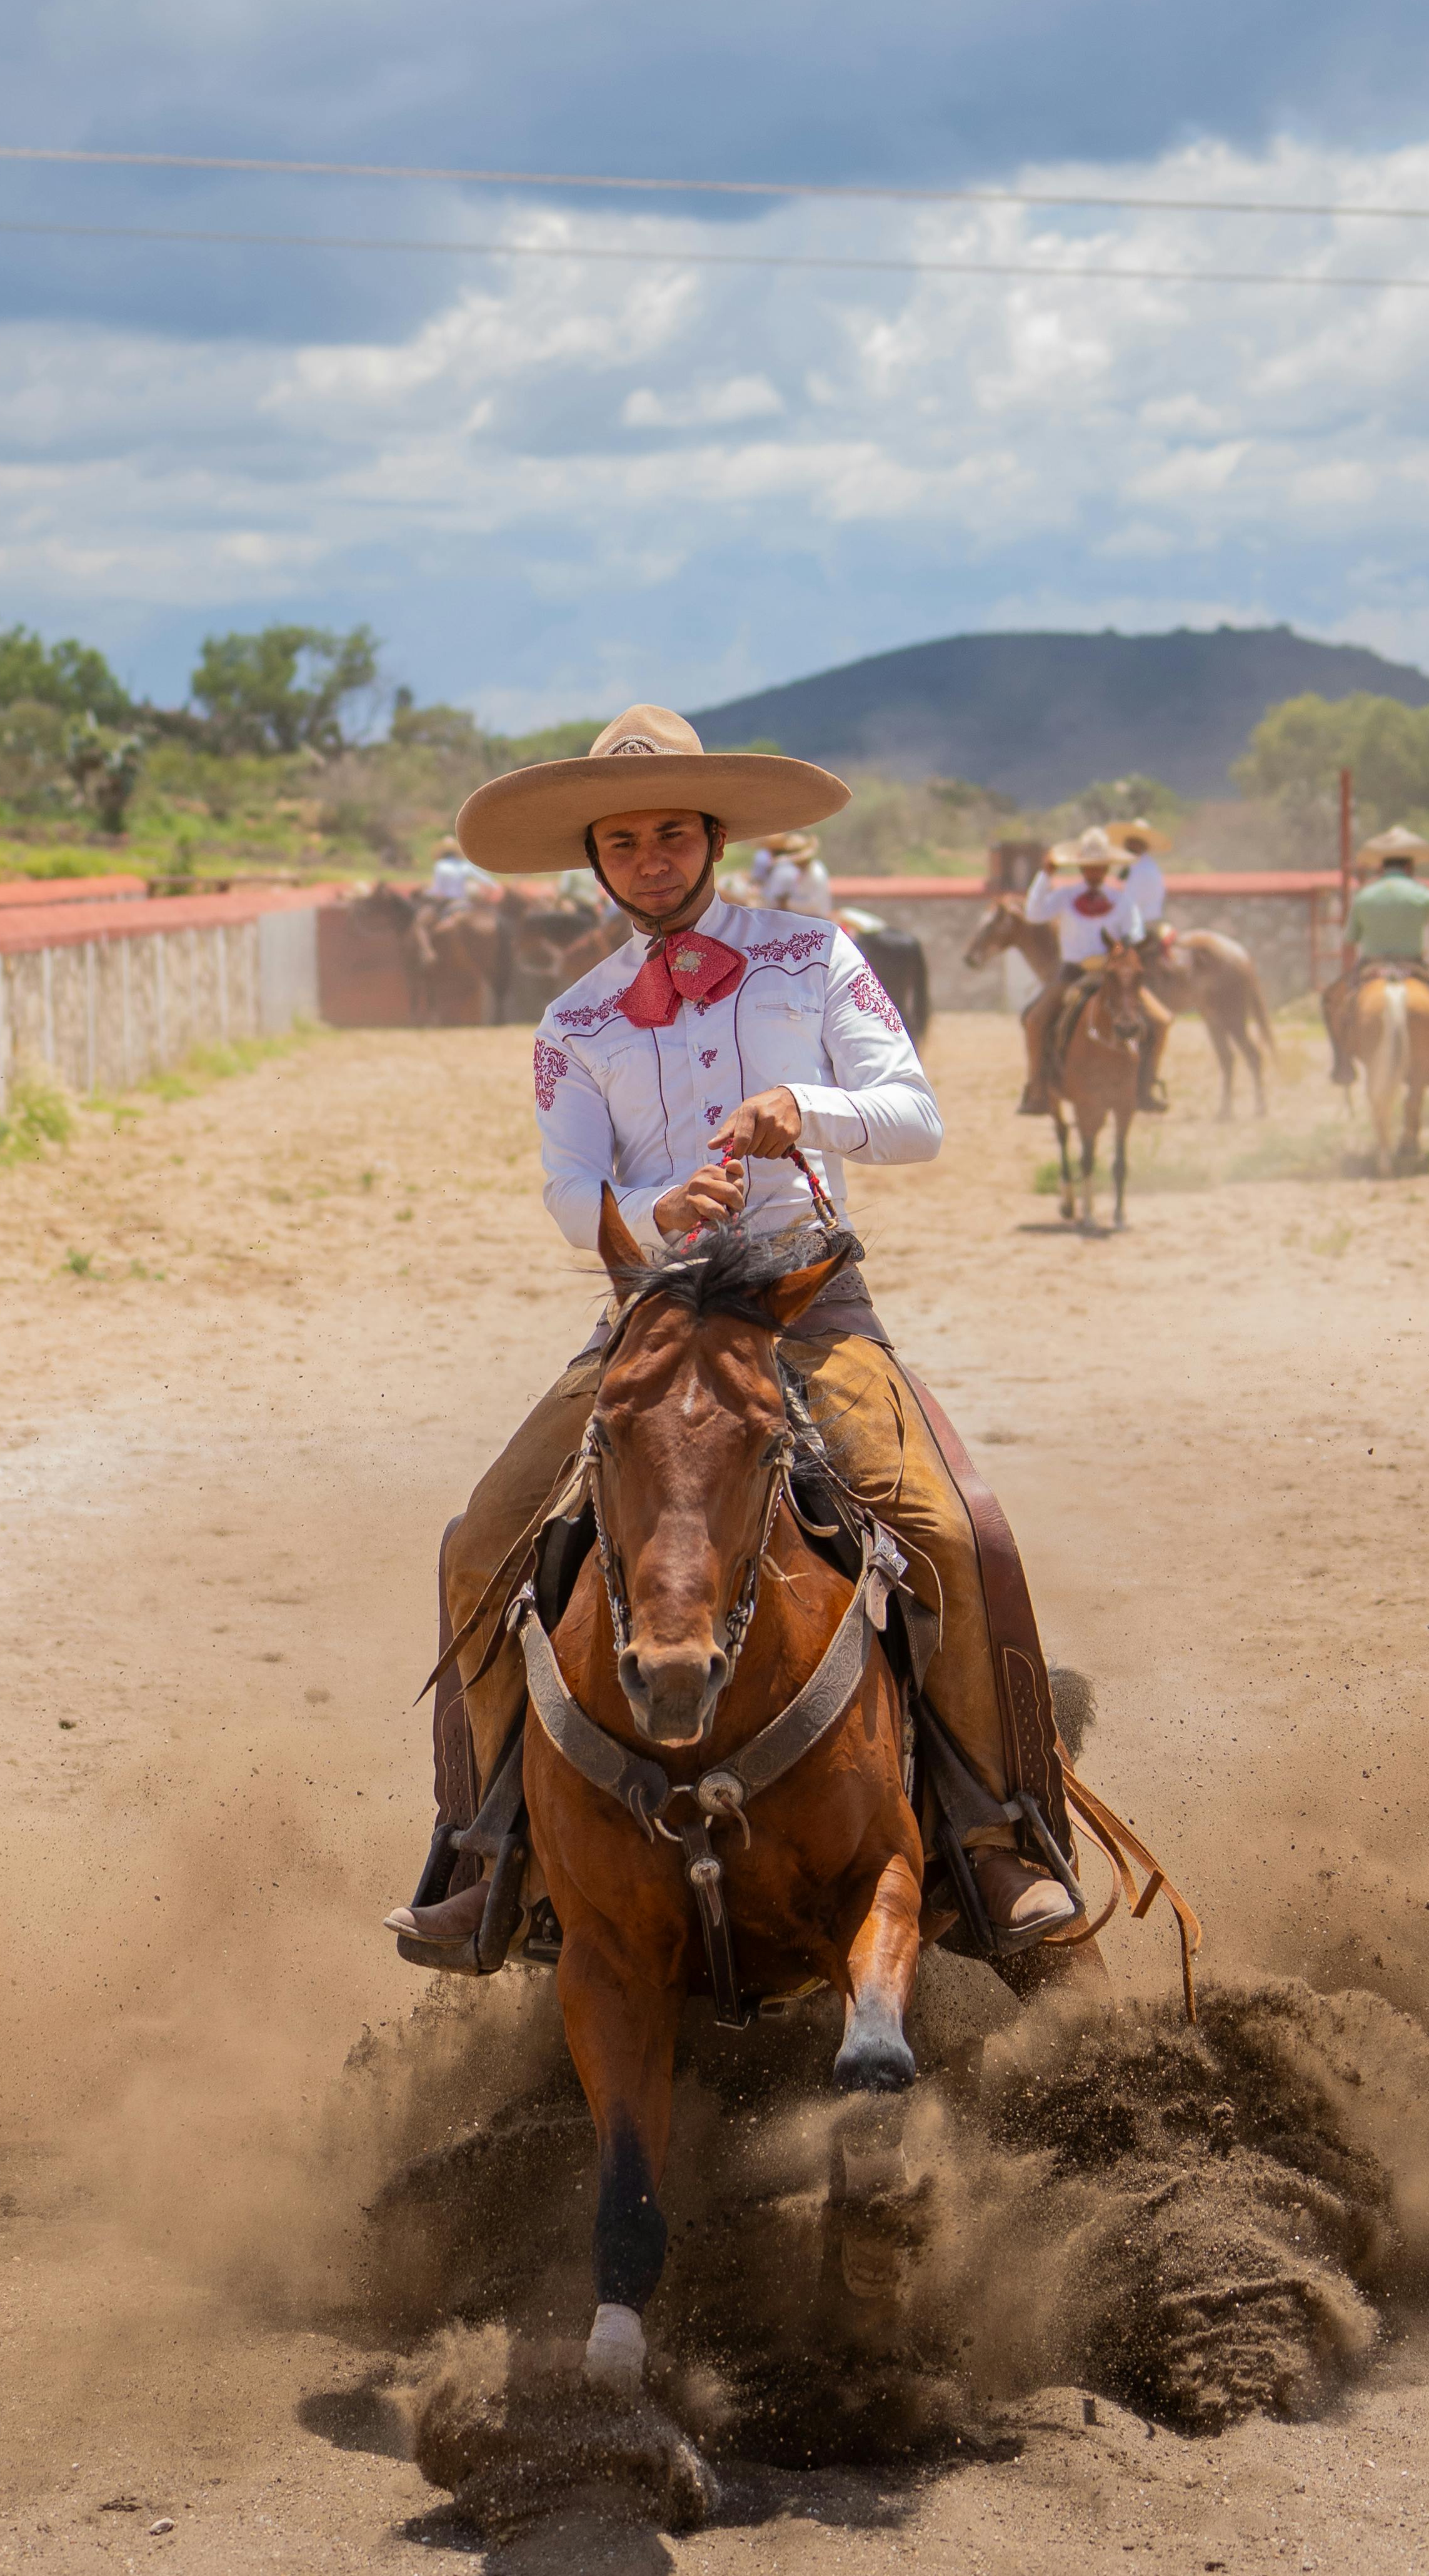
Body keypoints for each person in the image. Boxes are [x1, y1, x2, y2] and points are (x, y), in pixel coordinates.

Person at [386, 703, 1090, 1969]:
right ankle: (488, 1855)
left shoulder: (812, 959)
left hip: (807, 1307)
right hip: (652, 1321)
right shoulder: (573, 1023)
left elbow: (915, 1116)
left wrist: (802, 1110)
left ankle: (995, 1837)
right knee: (482, 1542)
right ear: (591, 861)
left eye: (670, 832)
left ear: (712, 837)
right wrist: (645, 1216)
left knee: (953, 1531)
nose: (650, 856)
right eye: (623, 839)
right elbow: (564, 1194)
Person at [1322, 827, 1429, 1088]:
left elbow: (1350, 939)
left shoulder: (1365, 896)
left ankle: (1342, 1066)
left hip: (1372, 965)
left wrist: (1349, 970)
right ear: (1410, 868)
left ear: (1381, 868)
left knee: (1330, 1001)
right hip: (1413, 965)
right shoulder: (1420, 893)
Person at [1019, 829, 1171, 1117]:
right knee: (1036, 1019)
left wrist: (1121, 953)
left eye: (1100, 866)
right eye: (1089, 866)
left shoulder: (1121, 900)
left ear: (1107, 868)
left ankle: (1146, 1088)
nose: (1094, 871)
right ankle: (1038, 1089)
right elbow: (1034, 914)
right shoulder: (1064, 895)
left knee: (1161, 1021)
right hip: (1072, 974)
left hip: (1113, 976)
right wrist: (1045, 877)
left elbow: (1134, 932)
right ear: (1081, 867)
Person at [761, 830, 835, 918]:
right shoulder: (803, 872)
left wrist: (787, 903)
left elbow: (814, 905)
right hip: (807, 918)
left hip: (814, 920)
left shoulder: (816, 873)